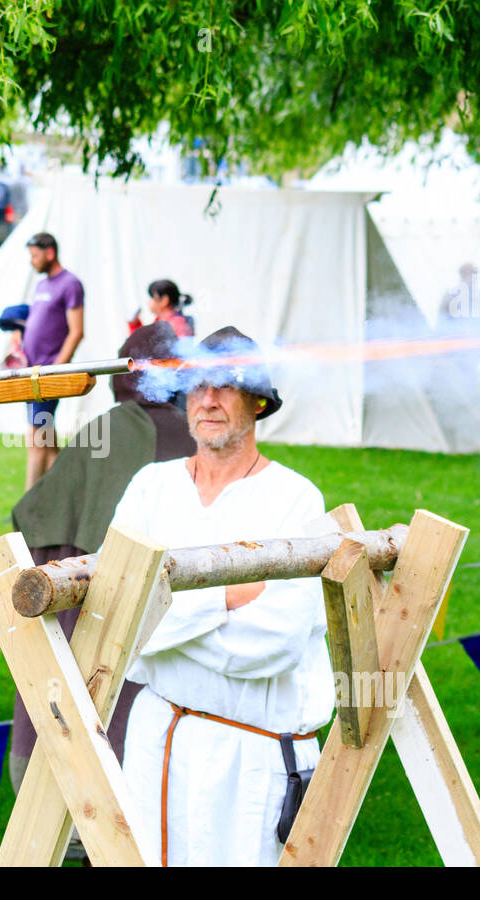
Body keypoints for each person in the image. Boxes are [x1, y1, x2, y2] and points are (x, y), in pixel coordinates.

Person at [110, 326, 332, 867]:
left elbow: (273, 643)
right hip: (157, 740)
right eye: (198, 385)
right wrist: (227, 596)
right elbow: (119, 628)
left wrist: (165, 619)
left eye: (226, 386)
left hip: (251, 756)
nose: (208, 399)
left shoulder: (295, 499)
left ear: (257, 400)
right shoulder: (149, 488)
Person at [8, 322, 196, 799]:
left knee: (74, 699)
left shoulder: (110, 425)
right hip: (137, 592)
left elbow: (34, 511)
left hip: (78, 589)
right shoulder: (189, 433)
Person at [16, 232, 84, 489]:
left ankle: (27, 508)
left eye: (35, 255)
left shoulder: (70, 284)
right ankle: (63, 497)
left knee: (35, 439)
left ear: (50, 253)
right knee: (48, 443)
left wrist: (55, 371)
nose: (32, 261)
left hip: (44, 377)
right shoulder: (42, 285)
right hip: (29, 372)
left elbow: (76, 331)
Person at [128, 279, 195, 337]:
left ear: (164, 300)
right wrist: (135, 324)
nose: (148, 302)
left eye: (152, 298)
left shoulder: (176, 325)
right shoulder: (161, 323)